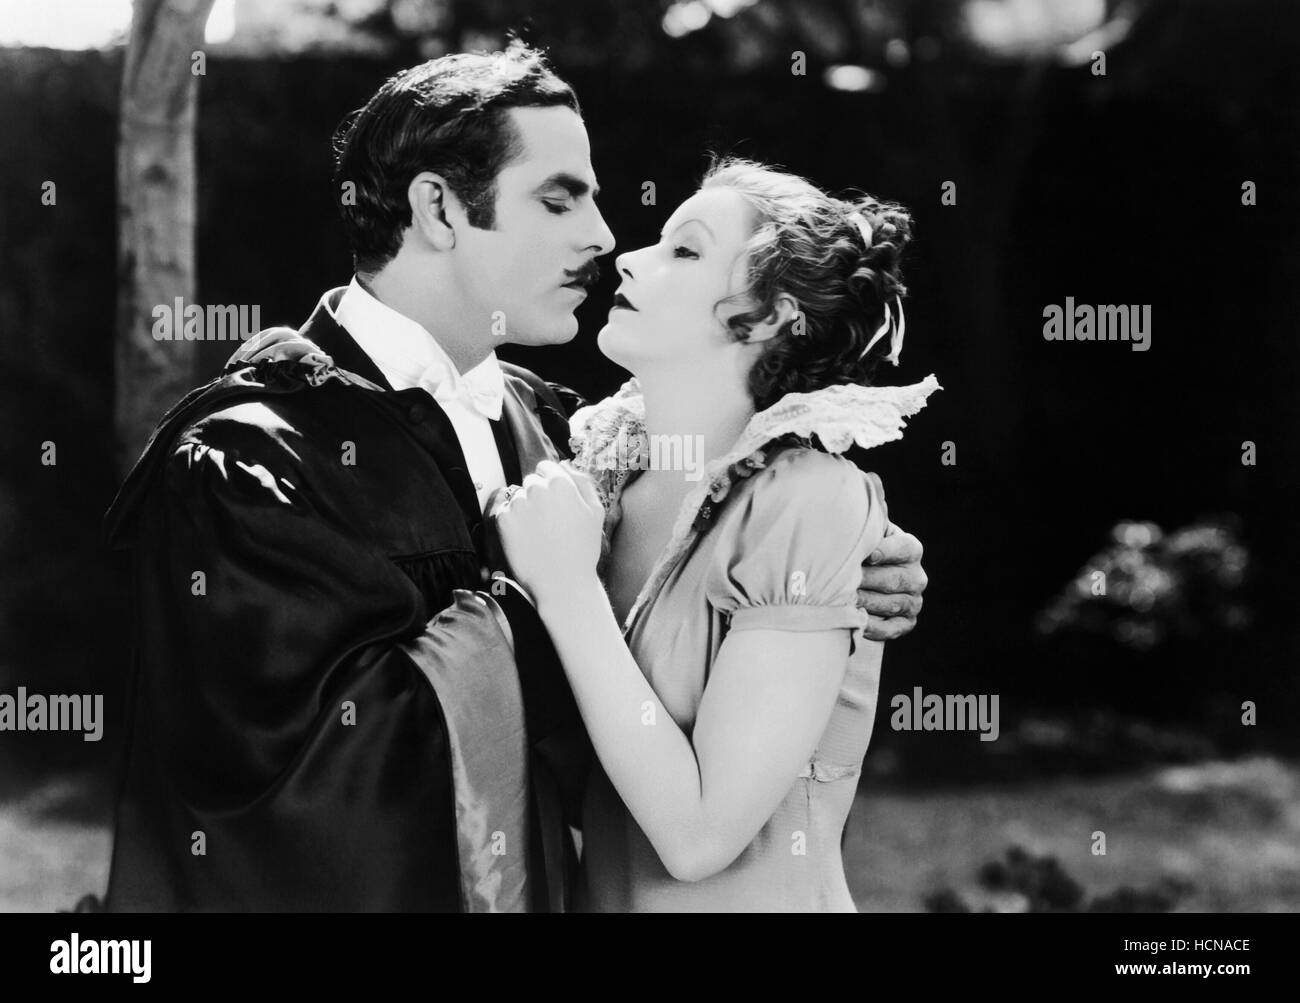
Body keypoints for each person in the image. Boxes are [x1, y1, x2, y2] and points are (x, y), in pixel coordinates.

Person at [103, 42, 928, 912]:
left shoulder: (560, 432)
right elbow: (290, 795)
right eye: (559, 198)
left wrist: (848, 576)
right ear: (440, 209)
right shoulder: (257, 459)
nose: (606, 239)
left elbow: (692, 634)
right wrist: (543, 611)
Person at [496, 158, 940, 911]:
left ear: (772, 315)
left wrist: (566, 591)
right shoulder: (599, 483)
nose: (629, 259)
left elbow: (700, 837)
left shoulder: (806, 501)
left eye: (685, 249)